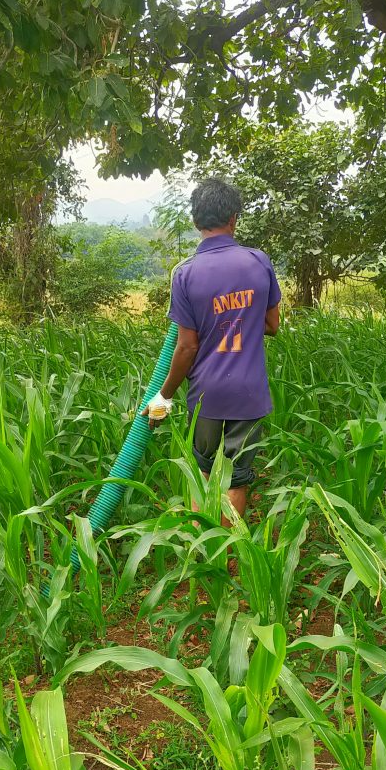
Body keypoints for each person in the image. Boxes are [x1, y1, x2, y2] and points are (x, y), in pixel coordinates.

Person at [143, 178, 281, 520]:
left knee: (203, 476)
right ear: (234, 218)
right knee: (236, 481)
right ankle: (230, 555)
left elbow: (187, 347)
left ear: (195, 222)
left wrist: (164, 397)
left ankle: (202, 552)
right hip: (248, 394)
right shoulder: (259, 261)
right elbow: (273, 325)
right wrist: (243, 322)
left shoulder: (185, 274)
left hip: (205, 397)